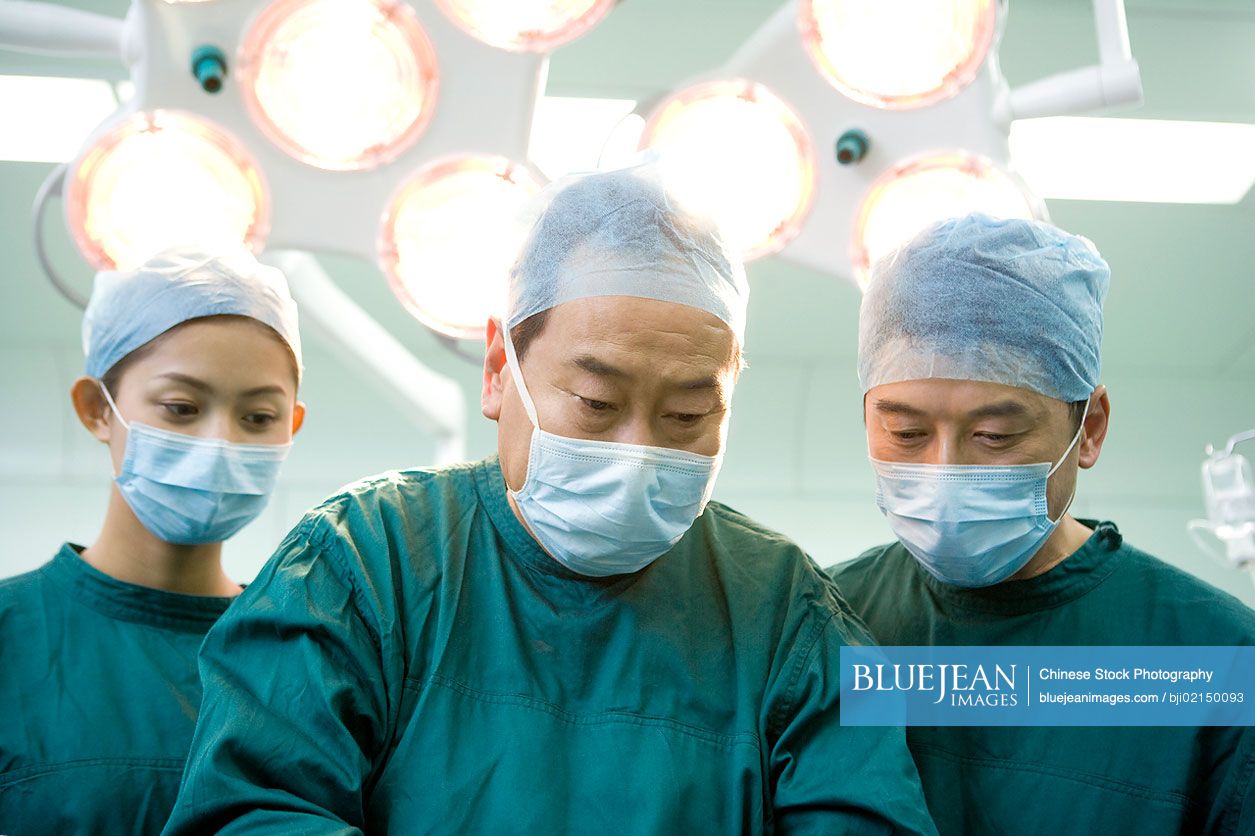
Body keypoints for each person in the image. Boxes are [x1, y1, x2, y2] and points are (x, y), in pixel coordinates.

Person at [164, 165, 937, 834]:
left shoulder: (782, 612)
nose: (636, 451)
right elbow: (255, 809)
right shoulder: (363, 565)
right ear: (499, 370)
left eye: (685, 416)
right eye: (596, 404)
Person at [830, 213, 1255, 835]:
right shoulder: (831, 623)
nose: (945, 473)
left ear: (1091, 429)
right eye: (906, 432)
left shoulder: (1215, 659)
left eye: (995, 435)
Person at [0, 248, 305, 835]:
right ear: (98, 409)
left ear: (291, 424)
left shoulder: (301, 652)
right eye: (181, 408)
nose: (220, 442)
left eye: (258, 417)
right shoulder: (12, 637)